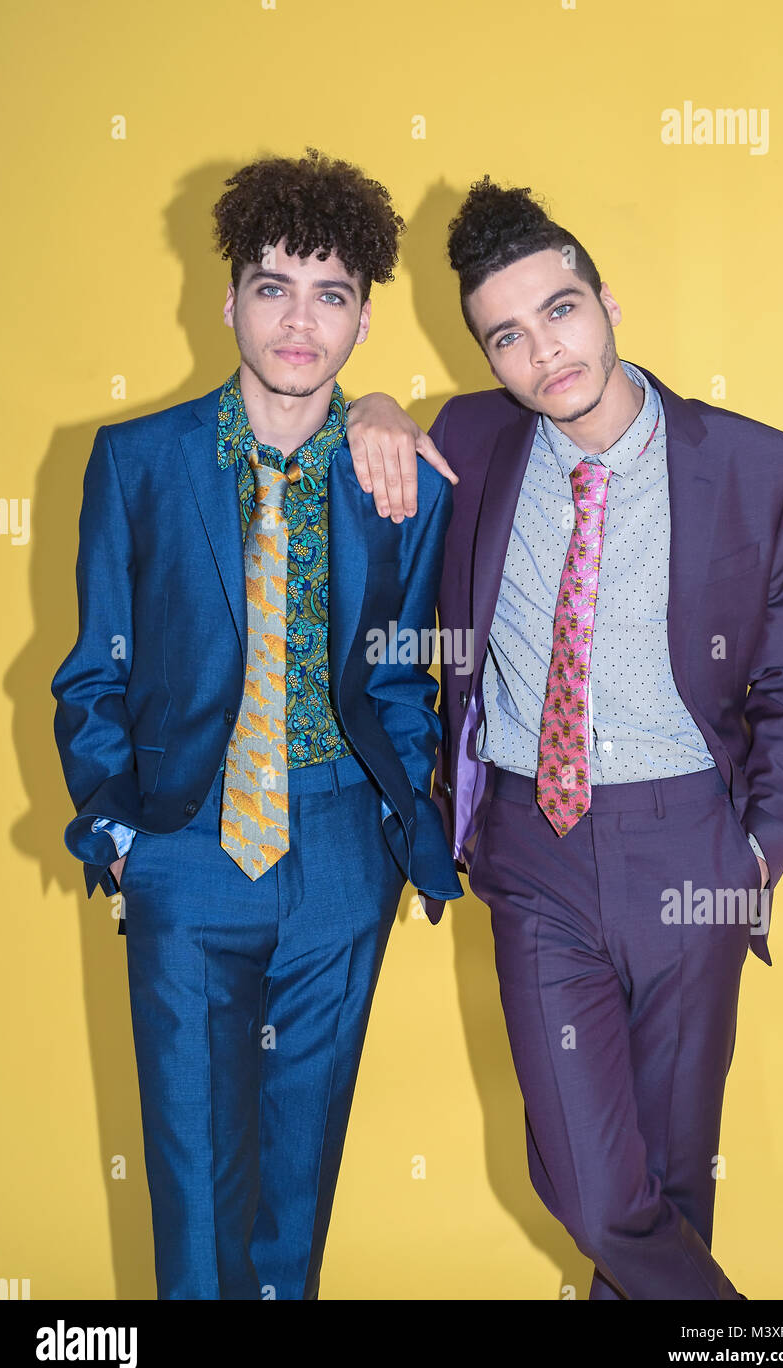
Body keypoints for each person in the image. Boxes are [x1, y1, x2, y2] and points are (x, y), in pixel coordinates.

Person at [344, 176, 783, 1298]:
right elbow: (356, 440)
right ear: (487, 356)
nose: (545, 354)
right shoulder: (470, 437)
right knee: (590, 1185)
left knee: (673, 1178)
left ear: (606, 299)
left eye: (560, 311)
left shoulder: (761, 466)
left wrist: (758, 854)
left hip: (691, 851)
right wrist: (372, 401)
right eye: (506, 337)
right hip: (534, 852)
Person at [50, 148, 462, 1300]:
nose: (299, 320)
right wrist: (124, 833)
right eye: (274, 286)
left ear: (363, 321)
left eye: (331, 295)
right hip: (188, 846)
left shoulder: (407, 481)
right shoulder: (136, 461)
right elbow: (92, 672)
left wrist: (399, 823)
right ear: (229, 299)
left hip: (340, 855)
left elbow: (402, 681)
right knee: (192, 1185)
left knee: (299, 1182)